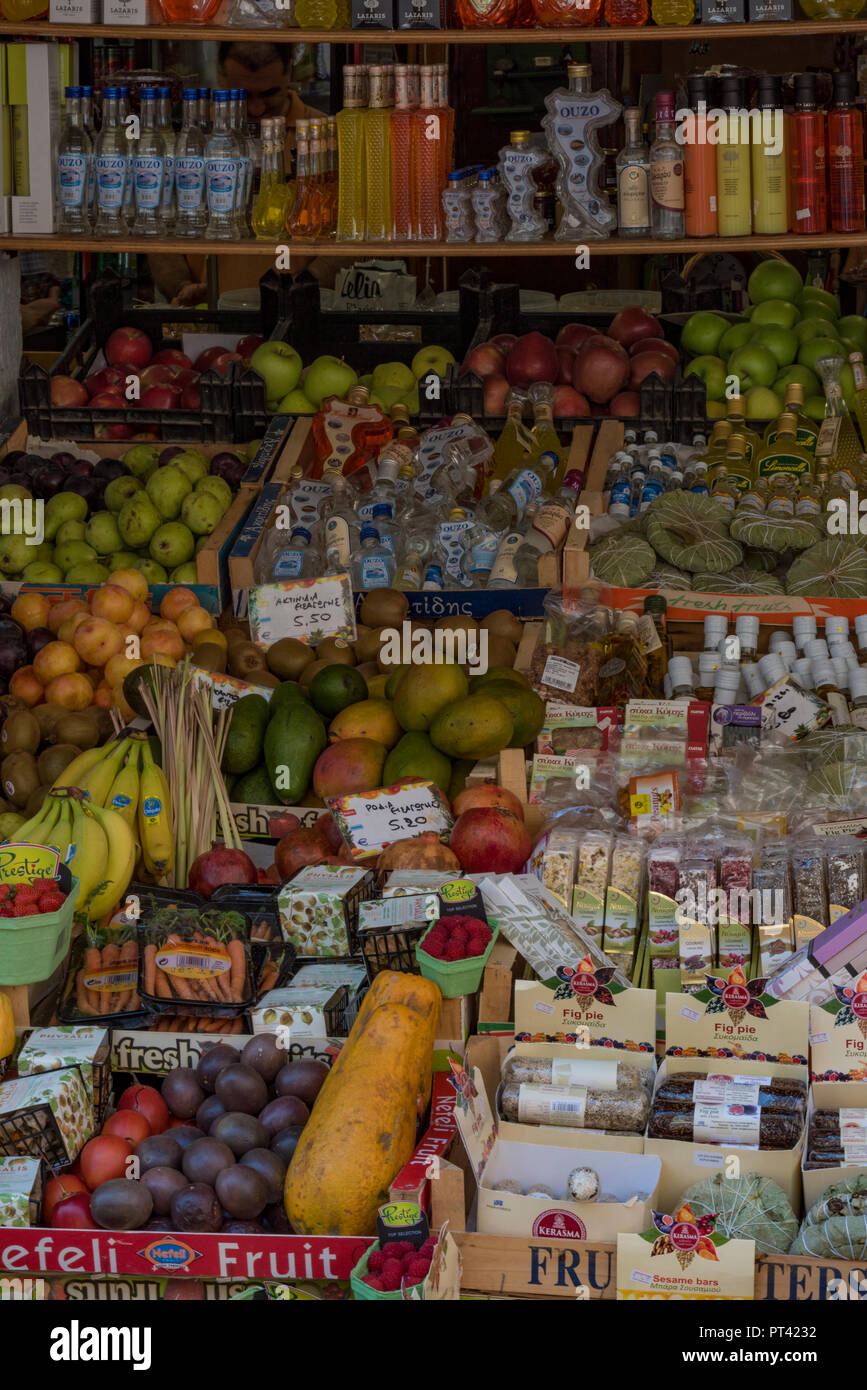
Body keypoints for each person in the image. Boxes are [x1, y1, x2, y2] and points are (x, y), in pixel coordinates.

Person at [151, 42, 331, 307]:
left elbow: (351, 237)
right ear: (220, 77)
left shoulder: (324, 136)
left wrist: (307, 286)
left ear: (289, 74)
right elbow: (157, 228)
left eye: (270, 93)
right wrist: (183, 287)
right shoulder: (193, 139)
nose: (257, 109)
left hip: (299, 313)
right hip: (208, 312)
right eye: (243, 95)